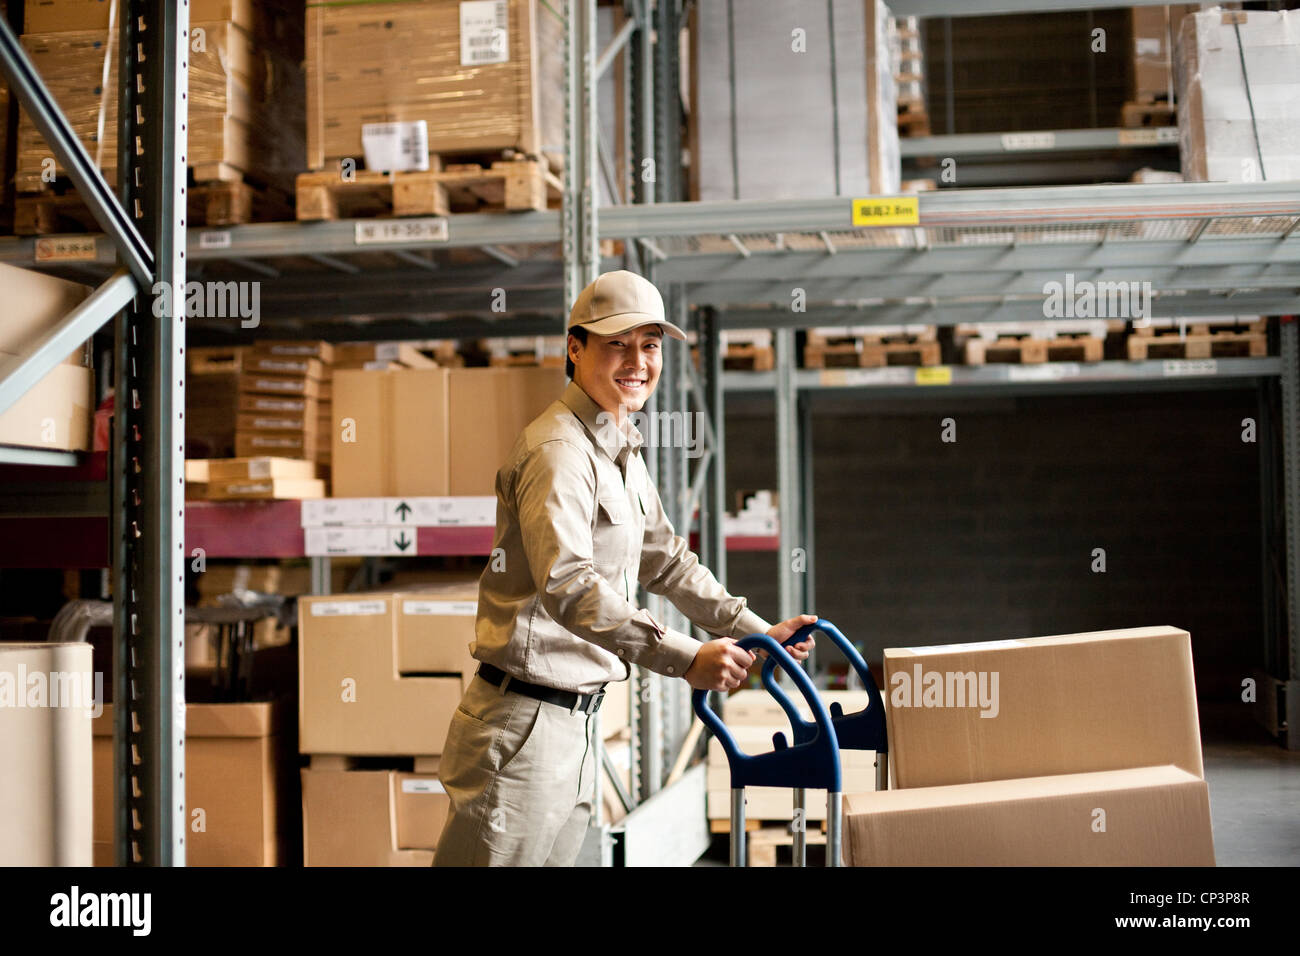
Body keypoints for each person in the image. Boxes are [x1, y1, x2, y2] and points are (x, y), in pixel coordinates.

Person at [433, 270, 817, 867]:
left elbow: (666, 562)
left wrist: (753, 629)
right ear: (574, 348)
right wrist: (686, 658)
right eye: (617, 344)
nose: (637, 361)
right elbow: (568, 587)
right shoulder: (557, 453)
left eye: (650, 345)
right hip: (523, 726)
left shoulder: (618, 445)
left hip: (575, 723)